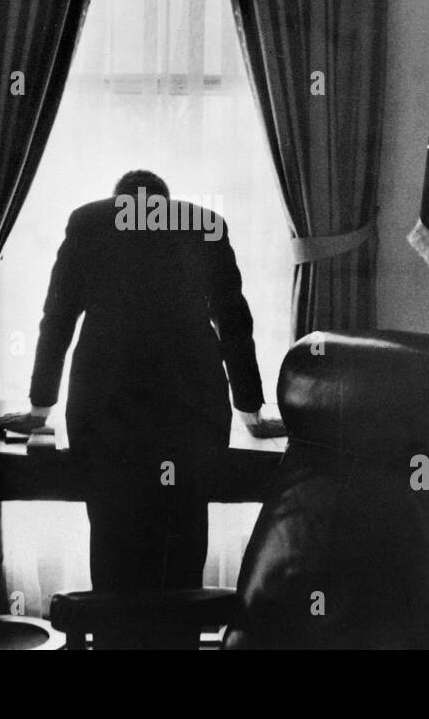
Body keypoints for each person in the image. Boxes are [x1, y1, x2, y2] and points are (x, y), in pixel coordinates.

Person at [27, 170, 264, 638]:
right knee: (184, 540)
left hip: (106, 412)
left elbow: (57, 318)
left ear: (119, 201)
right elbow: (234, 322)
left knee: (114, 541)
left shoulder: (86, 224)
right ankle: (178, 642)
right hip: (191, 411)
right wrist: (250, 406)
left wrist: (40, 405)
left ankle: (115, 640)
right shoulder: (205, 225)